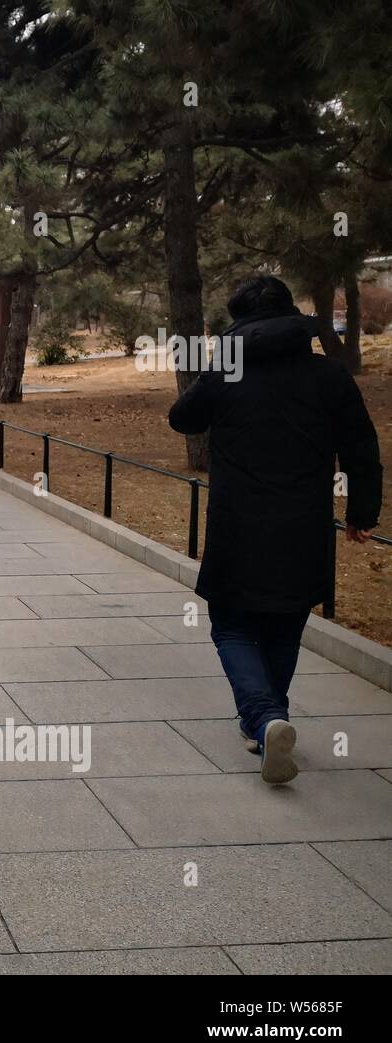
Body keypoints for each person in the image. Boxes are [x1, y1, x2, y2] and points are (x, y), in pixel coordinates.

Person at [169, 275, 382, 785]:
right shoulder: (329, 376)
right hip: (304, 524)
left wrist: (214, 370)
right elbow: (361, 449)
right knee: (286, 623)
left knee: (233, 623)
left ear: (239, 328)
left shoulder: (227, 375)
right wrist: (361, 515)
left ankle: (264, 719)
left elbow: (182, 419)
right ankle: (269, 720)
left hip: (238, 524)